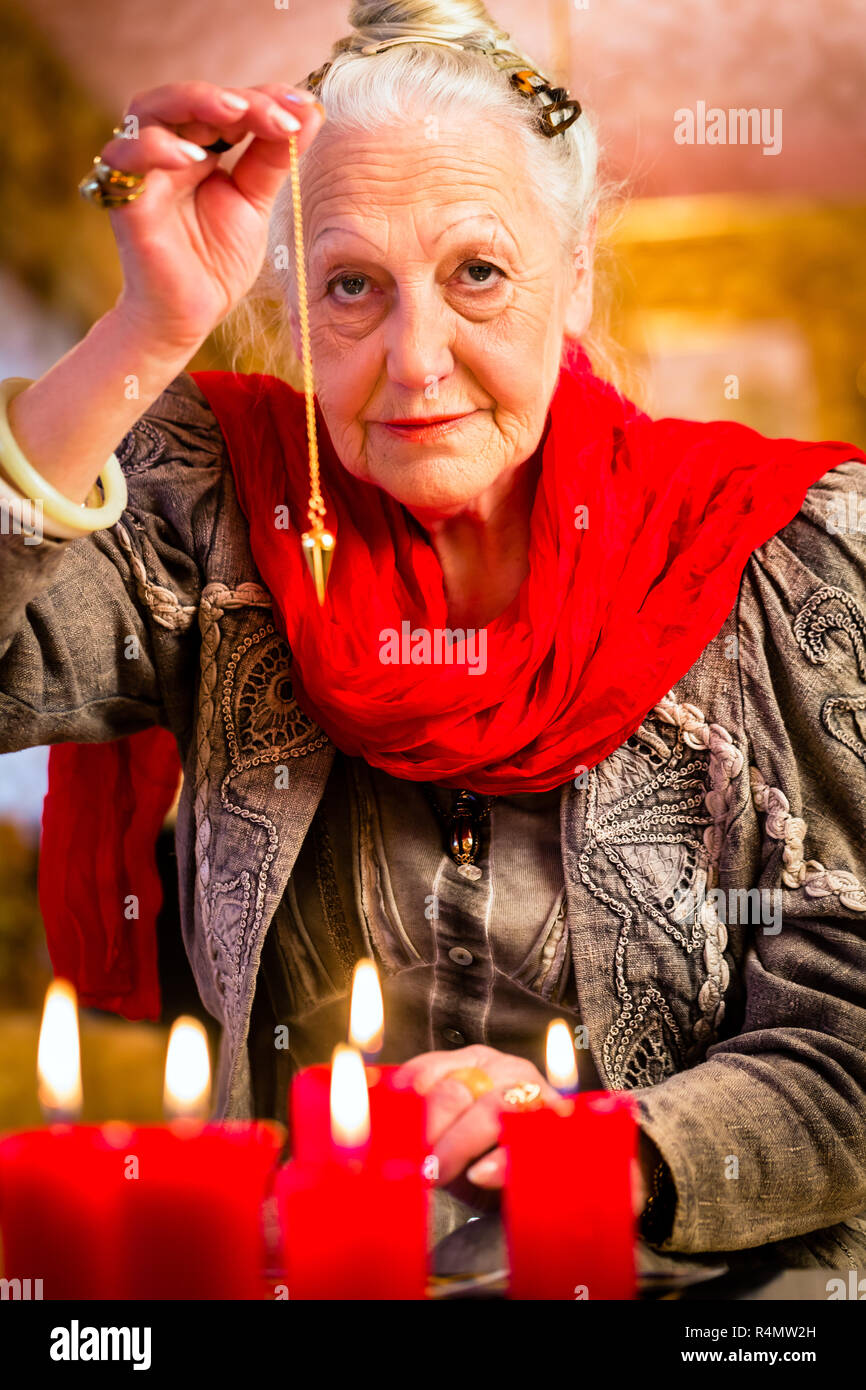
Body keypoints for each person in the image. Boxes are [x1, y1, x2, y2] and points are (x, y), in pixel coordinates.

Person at [1, 0, 865, 1275]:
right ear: (291, 306)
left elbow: (847, 1038)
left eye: (476, 273)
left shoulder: (786, 554)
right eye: (351, 285)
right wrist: (142, 332)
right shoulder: (207, 513)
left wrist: (591, 1150)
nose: (416, 364)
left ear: (571, 275)